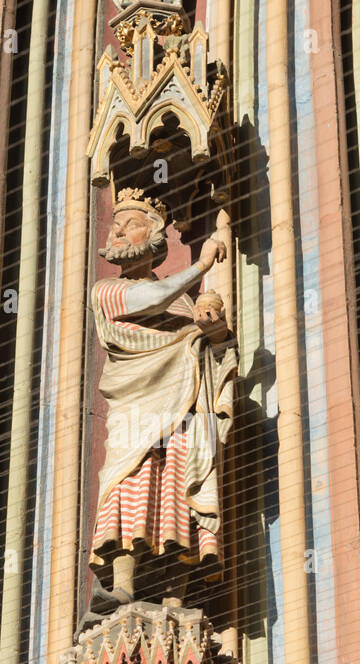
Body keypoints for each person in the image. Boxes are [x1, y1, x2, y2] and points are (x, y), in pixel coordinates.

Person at [88, 188, 237, 606]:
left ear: (153, 237)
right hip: (135, 411)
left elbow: (213, 359)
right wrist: (203, 266)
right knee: (127, 480)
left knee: (179, 487)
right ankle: (123, 587)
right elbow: (151, 298)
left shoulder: (184, 305)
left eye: (129, 225)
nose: (116, 232)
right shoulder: (106, 291)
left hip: (184, 413)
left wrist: (214, 331)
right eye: (115, 225)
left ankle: (176, 599)